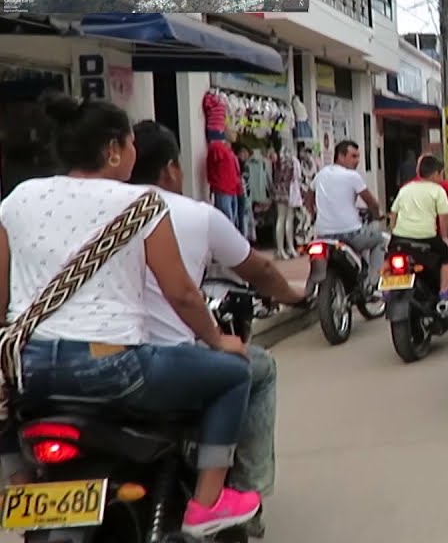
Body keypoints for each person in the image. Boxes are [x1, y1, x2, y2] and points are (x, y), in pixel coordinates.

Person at [0, 93, 259, 535]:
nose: (135, 153)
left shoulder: (17, 198)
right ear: (113, 150)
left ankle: (23, 489)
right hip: (113, 367)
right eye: (130, 143)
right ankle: (208, 503)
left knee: (3, 401)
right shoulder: (141, 203)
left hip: (29, 368)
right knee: (234, 375)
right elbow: (182, 293)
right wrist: (219, 341)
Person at [129, 121, 308, 539]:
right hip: (163, 359)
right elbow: (258, 268)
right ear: (171, 169)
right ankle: (247, 492)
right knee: (254, 368)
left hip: (80, 356)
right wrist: (294, 296)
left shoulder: (95, 212)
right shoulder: (192, 214)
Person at [307, 140, 386, 294]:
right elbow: (372, 203)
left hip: (323, 234)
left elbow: (308, 199)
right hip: (351, 234)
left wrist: (314, 215)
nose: (357, 161)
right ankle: (373, 283)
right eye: (353, 156)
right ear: (340, 156)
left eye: (358, 157)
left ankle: (311, 290)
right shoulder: (352, 176)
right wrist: (378, 216)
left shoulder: (321, 174)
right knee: (380, 239)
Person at [389, 156, 448, 299]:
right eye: (441, 174)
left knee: (389, 255)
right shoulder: (438, 190)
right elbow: (444, 216)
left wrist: (393, 232)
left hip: (400, 238)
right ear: (436, 173)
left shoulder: (405, 189)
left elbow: (393, 213)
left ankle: (387, 287)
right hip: (426, 238)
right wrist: (444, 238)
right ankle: (444, 290)